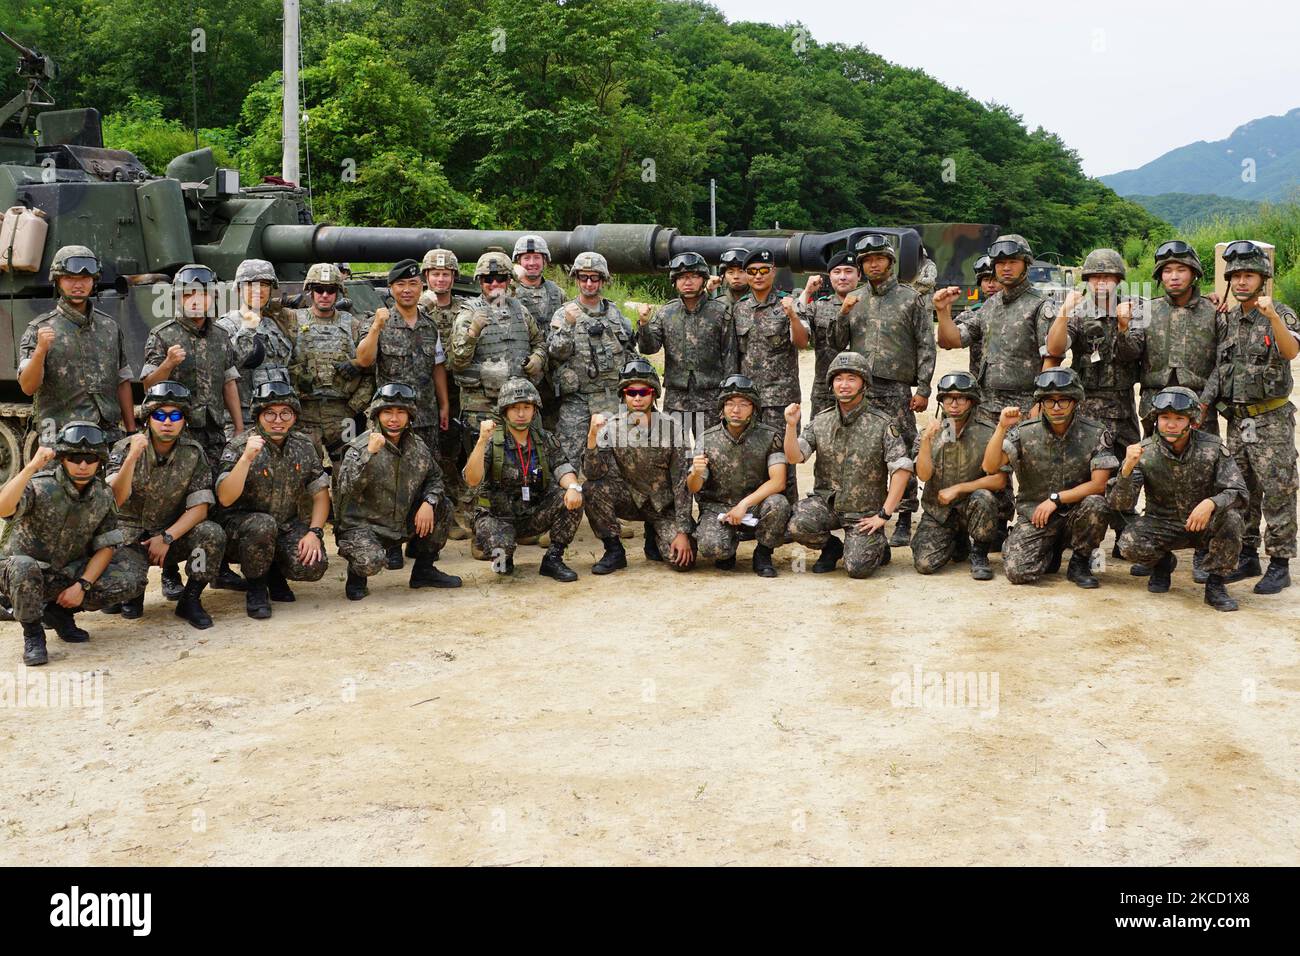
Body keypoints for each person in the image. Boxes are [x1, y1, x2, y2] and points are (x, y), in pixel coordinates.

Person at [0, 422, 146, 665]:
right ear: (62, 458)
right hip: (20, 573)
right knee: (24, 567)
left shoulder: (101, 495)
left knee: (131, 575)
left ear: (99, 461)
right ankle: (33, 634)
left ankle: (60, 613)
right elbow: (3, 507)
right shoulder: (40, 485)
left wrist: (82, 585)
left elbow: (106, 546)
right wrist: (31, 467)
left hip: (65, 572)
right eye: (75, 457)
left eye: (90, 458)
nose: (82, 465)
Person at [1201, 240, 1299, 594]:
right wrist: (1202, 404)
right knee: (1243, 491)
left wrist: (1272, 316)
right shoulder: (1227, 318)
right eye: (1237, 276)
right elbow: (1220, 367)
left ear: (1263, 278)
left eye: (1249, 275)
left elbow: (1290, 352)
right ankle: (1246, 554)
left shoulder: (1281, 312)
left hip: (1271, 420)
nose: (1242, 282)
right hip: (1238, 421)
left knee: (1278, 490)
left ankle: (1280, 563)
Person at [833, 232, 935, 546]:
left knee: (903, 449)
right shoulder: (856, 298)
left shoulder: (910, 298)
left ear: (890, 262)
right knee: (865, 450)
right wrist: (843, 314)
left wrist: (924, 388)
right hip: (862, 389)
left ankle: (904, 515)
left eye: (879, 259)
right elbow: (837, 345)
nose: (874, 264)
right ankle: (863, 511)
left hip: (896, 389)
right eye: (868, 260)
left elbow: (926, 345)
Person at [1042, 247, 1143, 557]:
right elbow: (1055, 348)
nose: (1102, 283)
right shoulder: (1078, 310)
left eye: (1108, 277)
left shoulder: (1136, 307)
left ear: (1119, 279)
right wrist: (1063, 313)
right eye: (1096, 277)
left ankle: (1124, 524)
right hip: (1088, 405)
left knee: (1129, 470)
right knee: (1087, 472)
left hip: (1123, 404)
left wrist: (1125, 325)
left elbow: (1137, 352)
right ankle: (1084, 535)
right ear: (1086, 280)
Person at [1110, 387, 1246, 611]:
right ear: (1156, 419)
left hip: (1204, 523)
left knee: (1231, 519)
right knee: (1128, 543)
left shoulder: (1212, 448)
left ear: (1191, 421)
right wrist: (1126, 470)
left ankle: (1215, 584)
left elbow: (1239, 492)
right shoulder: (1144, 452)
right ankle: (1163, 564)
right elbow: (1120, 504)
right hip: (1163, 523)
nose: (1170, 424)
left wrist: (1211, 503)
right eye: (1164, 417)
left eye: (1179, 418)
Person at [355, 259, 453, 568]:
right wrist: (375, 328)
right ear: (391, 289)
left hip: (424, 415)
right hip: (391, 420)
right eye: (400, 284)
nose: (407, 290)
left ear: (421, 287)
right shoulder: (379, 321)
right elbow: (364, 360)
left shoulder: (429, 325)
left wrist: (444, 404)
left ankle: (422, 546)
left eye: (412, 284)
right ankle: (392, 542)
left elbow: (437, 366)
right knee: (389, 482)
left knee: (426, 479)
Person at [105, 382, 226, 629]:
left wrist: (167, 537)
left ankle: (190, 598)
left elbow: (200, 507)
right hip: (130, 538)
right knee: (127, 599)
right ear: (148, 419)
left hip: (171, 535)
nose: (167, 422)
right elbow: (114, 499)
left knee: (211, 534)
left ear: (184, 420)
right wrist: (131, 459)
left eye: (175, 415)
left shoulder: (193, 453)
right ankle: (132, 591)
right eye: (160, 415)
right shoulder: (124, 449)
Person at [982, 368, 1117, 588]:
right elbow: (989, 465)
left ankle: (1080, 562)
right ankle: (1049, 549)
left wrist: (1056, 499)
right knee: (1018, 573)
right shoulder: (1024, 432)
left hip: (1076, 512)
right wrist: (1001, 427)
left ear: (1075, 402)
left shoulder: (1095, 433)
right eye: (1049, 401)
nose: (1055, 407)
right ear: (1040, 403)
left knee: (1097, 505)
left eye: (1062, 400)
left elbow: (1099, 484)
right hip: (1037, 515)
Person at [783, 352, 913, 578]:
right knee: (798, 524)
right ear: (831, 383)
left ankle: (878, 545)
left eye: (851, 379)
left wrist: (884, 515)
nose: (844, 385)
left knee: (857, 569)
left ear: (864, 384)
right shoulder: (821, 421)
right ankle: (831, 548)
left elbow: (901, 470)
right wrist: (790, 427)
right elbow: (795, 457)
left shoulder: (882, 423)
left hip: (865, 513)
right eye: (839, 379)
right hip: (829, 504)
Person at [334, 383, 461, 600]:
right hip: (364, 528)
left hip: (400, 522)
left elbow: (435, 478)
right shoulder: (361, 446)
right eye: (387, 412)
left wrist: (428, 503)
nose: (394, 419)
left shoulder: (417, 446)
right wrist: (369, 455)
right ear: (377, 415)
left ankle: (423, 571)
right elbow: (344, 487)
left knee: (443, 507)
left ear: (409, 416)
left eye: (401, 412)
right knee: (370, 562)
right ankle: (356, 578)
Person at [215, 383, 330, 618]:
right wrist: (246, 458)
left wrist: (315, 532)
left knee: (312, 566)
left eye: (285, 413)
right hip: (240, 531)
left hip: (284, 525)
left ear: (294, 416)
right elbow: (225, 498)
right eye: (270, 413)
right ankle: (257, 586)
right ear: (258, 416)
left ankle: (274, 571)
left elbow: (320, 494)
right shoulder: (239, 446)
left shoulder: (303, 446)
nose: (278, 420)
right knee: (263, 525)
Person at [462, 377, 584, 581]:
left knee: (574, 497)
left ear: (534, 409)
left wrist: (573, 486)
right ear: (504, 411)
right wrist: (482, 440)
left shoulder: (544, 439)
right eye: (514, 408)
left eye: (526, 407)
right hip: (498, 517)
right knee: (502, 563)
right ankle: (502, 556)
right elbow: (472, 479)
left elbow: (562, 467)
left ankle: (553, 559)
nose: (521, 414)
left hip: (532, 513)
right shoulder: (491, 441)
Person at [582, 360, 695, 573]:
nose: (637, 397)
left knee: (684, 562)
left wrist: (682, 531)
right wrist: (592, 438)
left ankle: (654, 533)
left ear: (653, 394)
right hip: (631, 500)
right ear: (623, 395)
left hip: (663, 505)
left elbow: (682, 483)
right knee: (591, 488)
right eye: (631, 392)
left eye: (644, 391)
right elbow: (593, 473)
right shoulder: (612, 427)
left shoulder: (673, 427)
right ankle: (614, 550)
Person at [18, 245, 135, 446]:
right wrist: (40, 351)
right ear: (57, 281)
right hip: (60, 438)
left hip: (106, 437)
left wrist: (131, 432)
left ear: (94, 281)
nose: (78, 285)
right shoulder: (38, 329)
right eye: (70, 278)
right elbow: (28, 387)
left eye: (85, 279)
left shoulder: (110, 328)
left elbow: (122, 381)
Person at [936, 234, 1058, 425]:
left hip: (1023, 406)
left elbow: (1051, 356)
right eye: (1000, 263)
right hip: (985, 405)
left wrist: (1041, 401)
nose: (1006, 268)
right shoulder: (989, 306)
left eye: (1012, 262)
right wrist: (942, 311)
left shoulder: (1040, 306)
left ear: (1026, 264)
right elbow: (952, 340)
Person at [141, 264, 243, 471]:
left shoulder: (221, 336)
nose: (196, 300)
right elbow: (147, 386)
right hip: (177, 433)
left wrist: (239, 427)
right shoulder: (162, 335)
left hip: (214, 432)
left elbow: (229, 383)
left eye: (204, 294)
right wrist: (167, 364)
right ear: (178, 298)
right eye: (188, 294)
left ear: (213, 297)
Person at [687, 375, 790, 576]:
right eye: (730, 403)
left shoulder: (770, 436)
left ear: (753, 408)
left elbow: (778, 481)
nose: (736, 410)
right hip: (719, 507)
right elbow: (694, 487)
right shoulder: (707, 438)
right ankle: (728, 549)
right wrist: (696, 473)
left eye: (744, 404)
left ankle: (763, 552)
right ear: (722, 408)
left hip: (755, 505)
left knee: (778, 503)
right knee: (712, 548)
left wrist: (743, 505)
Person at [910, 371, 1006, 579]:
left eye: (961, 398)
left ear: (972, 401)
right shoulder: (930, 432)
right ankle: (958, 539)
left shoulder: (988, 432)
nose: (954, 404)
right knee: (925, 563)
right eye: (948, 398)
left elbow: (999, 480)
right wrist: (926, 441)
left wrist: (960, 488)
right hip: (940, 511)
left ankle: (979, 553)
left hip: (973, 506)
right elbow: (924, 475)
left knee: (984, 497)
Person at [546, 251, 639, 463]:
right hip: (578, 399)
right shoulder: (564, 313)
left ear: (603, 280)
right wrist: (568, 326)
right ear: (576, 279)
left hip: (612, 398)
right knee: (569, 457)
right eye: (583, 277)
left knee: (619, 457)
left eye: (594, 278)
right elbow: (556, 353)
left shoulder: (615, 314)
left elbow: (631, 353)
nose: (588, 283)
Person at [731, 248, 808, 504]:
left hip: (780, 398)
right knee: (751, 455)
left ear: (773, 271)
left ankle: (789, 510)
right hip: (749, 400)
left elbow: (802, 342)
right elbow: (736, 355)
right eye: (752, 271)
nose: (758, 275)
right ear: (746, 275)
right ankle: (754, 512)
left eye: (764, 270)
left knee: (784, 455)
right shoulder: (739, 309)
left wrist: (793, 316)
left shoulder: (788, 303)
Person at [1124, 240, 1223, 437]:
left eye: (1181, 270)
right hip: (1154, 410)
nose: (1174, 277)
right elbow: (1129, 355)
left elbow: (1224, 364)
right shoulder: (1146, 311)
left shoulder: (1214, 312)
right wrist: (1122, 329)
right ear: (1160, 275)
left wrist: (1204, 404)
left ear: (1194, 273)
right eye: (1167, 270)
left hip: (1200, 409)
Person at [635, 252, 738, 440]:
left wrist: (729, 400)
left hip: (711, 401)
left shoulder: (720, 313)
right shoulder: (666, 313)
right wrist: (644, 324)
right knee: (672, 453)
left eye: (693, 276)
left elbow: (730, 358)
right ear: (674, 282)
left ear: (703, 279)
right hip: (676, 401)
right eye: (681, 277)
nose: (687, 282)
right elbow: (649, 348)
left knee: (710, 455)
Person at [290, 261, 367, 469]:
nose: (325, 295)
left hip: (343, 413)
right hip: (304, 413)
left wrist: (354, 406)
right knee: (305, 473)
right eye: (319, 289)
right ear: (310, 291)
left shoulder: (352, 324)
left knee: (349, 471)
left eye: (331, 290)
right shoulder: (293, 321)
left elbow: (370, 368)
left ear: (338, 292)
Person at [417, 249, 471, 538]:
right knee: (432, 451)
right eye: (435, 274)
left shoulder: (465, 308)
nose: (440, 279)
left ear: (453, 277)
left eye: (445, 274)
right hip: (426, 388)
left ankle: (460, 504)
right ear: (427, 277)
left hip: (459, 387)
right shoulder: (417, 307)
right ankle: (440, 509)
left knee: (457, 446)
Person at [217, 259, 295, 438]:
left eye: (265, 284)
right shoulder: (226, 326)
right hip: (244, 421)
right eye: (251, 284)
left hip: (278, 421)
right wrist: (247, 330)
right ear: (238, 288)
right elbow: (226, 369)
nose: (258, 290)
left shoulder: (275, 325)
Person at [511, 235, 567, 428]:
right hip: (524, 373)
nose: (532, 263)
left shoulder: (557, 293)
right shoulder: (510, 292)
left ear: (545, 260)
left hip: (554, 376)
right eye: (526, 258)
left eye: (537, 258)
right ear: (518, 261)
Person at [796, 250, 860, 416]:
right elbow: (795, 316)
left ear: (859, 276)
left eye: (848, 271)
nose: (843, 277)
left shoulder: (870, 305)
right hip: (826, 390)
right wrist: (808, 291)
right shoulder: (818, 306)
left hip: (864, 389)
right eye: (837, 272)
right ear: (829, 277)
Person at [955, 254, 1000, 375]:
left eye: (995, 279)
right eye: (986, 280)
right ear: (980, 284)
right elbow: (947, 340)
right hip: (979, 385)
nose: (990, 285)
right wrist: (943, 309)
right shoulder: (973, 314)